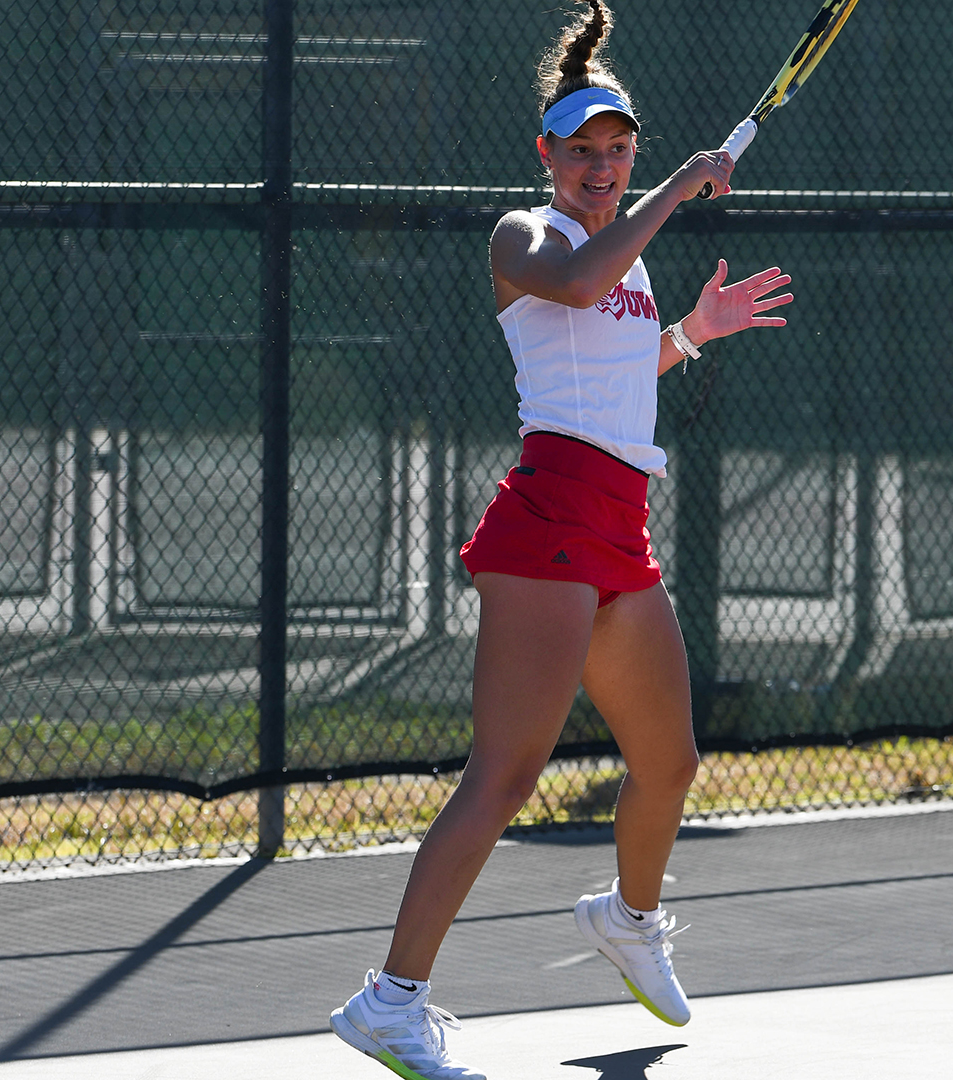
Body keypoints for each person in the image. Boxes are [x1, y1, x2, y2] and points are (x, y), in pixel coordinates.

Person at [330, 3, 792, 1077]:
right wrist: (678, 188)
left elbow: (616, 372)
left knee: (670, 762)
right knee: (507, 772)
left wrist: (688, 333)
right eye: (582, 151)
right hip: (546, 523)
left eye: (618, 151)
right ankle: (390, 1002)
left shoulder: (629, 266)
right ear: (547, 154)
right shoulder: (527, 237)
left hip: (618, 527)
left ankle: (627, 918)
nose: (601, 167)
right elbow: (578, 285)